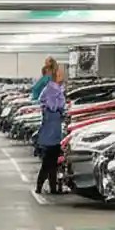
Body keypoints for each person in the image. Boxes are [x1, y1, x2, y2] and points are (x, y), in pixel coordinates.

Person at [35, 62, 67, 194]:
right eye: (59, 73)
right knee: (48, 162)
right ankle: (39, 187)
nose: (62, 75)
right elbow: (53, 106)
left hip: (52, 129)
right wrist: (60, 110)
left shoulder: (54, 88)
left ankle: (52, 187)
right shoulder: (52, 89)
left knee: (52, 163)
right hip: (51, 129)